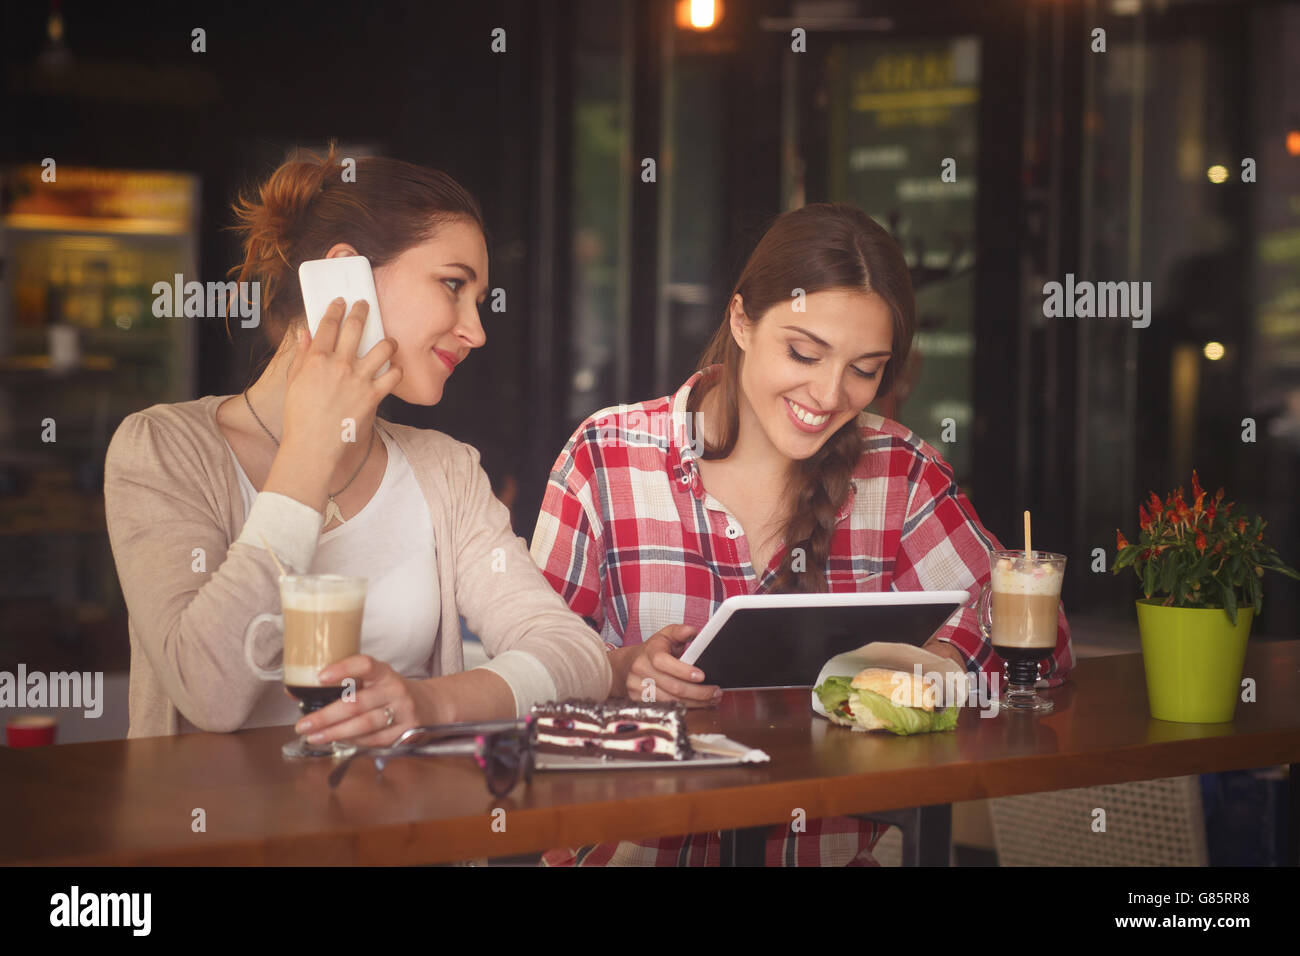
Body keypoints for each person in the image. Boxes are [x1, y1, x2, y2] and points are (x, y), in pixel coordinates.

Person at [530, 202, 1075, 865]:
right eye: (803, 352)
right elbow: (527, 692)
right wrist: (619, 671)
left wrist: (935, 668)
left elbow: (1037, 637)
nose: (828, 393)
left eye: (864, 369)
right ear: (740, 318)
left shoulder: (898, 470)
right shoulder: (607, 456)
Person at [104, 148, 609, 742]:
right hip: (216, 834)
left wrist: (426, 703)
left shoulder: (445, 470)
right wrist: (309, 452)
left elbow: (578, 657)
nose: (476, 331)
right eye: (453, 285)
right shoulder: (163, 449)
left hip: (404, 832)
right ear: (347, 274)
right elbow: (211, 693)